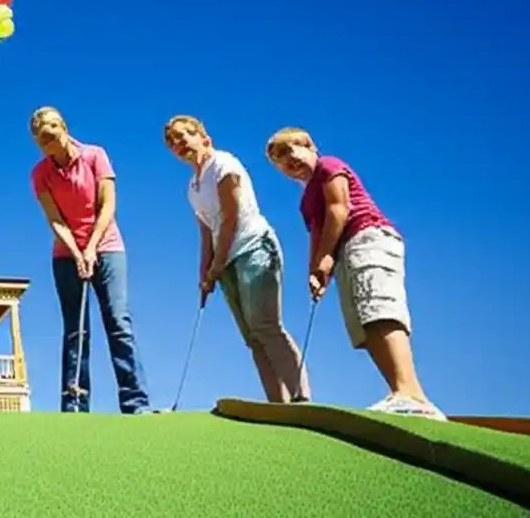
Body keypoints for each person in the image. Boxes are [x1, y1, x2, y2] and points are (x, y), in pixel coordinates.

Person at [264, 127, 444, 420]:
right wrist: (316, 271)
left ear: (311, 147)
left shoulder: (328, 165)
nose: (289, 159)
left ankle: (411, 392)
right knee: (364, 323)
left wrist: (325, 258)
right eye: (280, 159)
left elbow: (339, 209)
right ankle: (403, 395)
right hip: (345, 252)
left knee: (379, 310)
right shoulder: (306, 200)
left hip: (367, 237)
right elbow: (317, 233)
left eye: (292, 149)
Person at [164, 116, 310, 403]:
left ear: (203, 136)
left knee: (266, 326)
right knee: (252, 338)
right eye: (171, 142)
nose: (177, 144)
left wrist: (217, 264)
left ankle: (300, 396)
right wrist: (205, 274)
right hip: (227, 262)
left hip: (254, 248)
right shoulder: (193, 188)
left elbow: (231, 216)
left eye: (183, 136)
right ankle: (277, 404)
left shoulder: (223, 163)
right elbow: (207, 232)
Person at [29, 106, 154, 414]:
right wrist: (76, 252)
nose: (48, 141)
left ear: (64, 127)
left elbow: (107, 204)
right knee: (76, 330)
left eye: (52, 132)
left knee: (118, 321)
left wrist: (92, 247)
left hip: (107, 246)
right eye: (42, 139)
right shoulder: (41, 173)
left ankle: (135, 402)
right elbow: (55, 220)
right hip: (66, 254)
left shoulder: (95, 155)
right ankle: (74, 404)